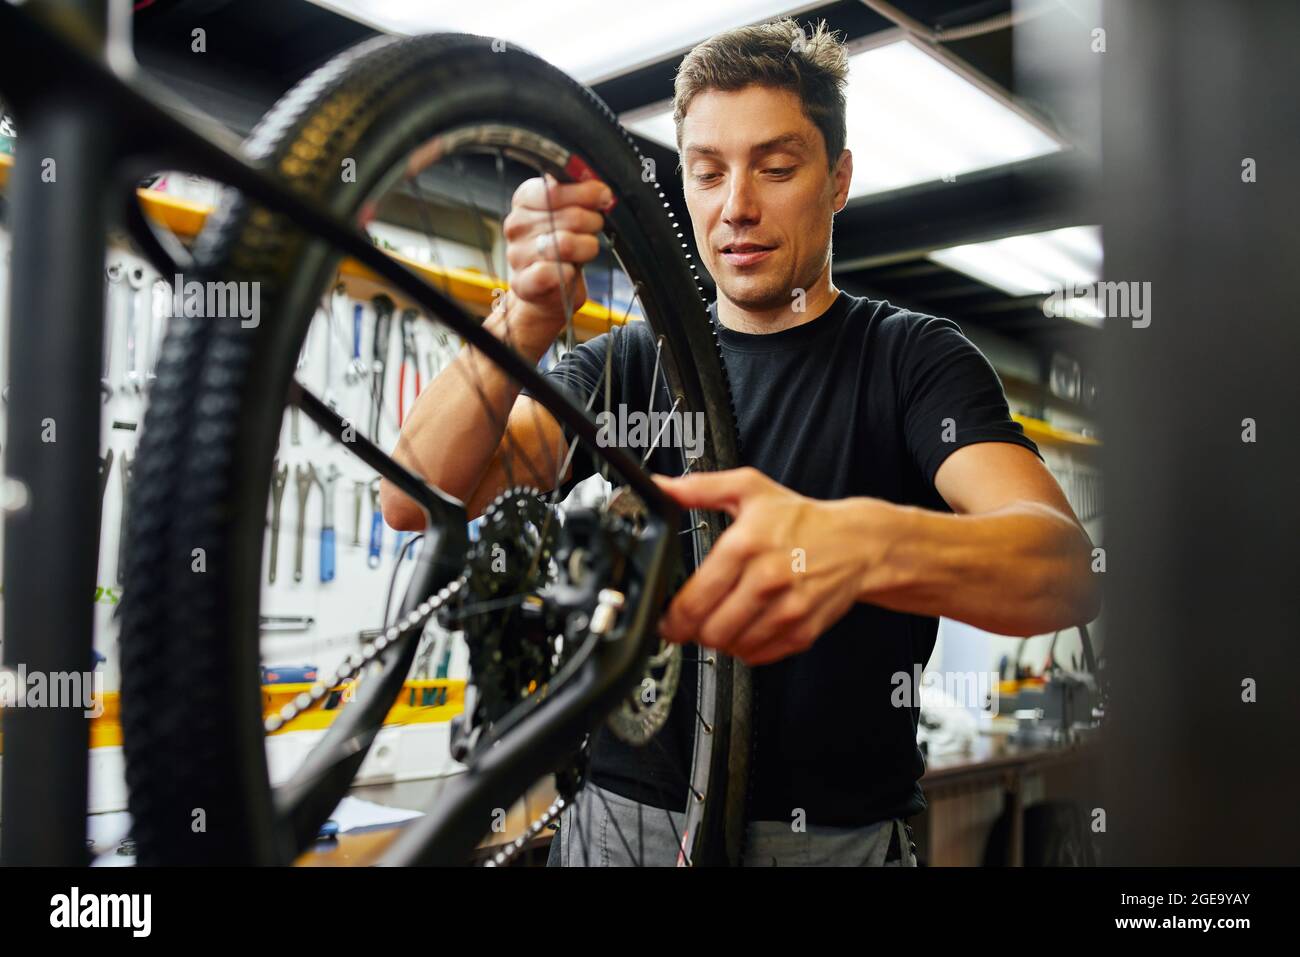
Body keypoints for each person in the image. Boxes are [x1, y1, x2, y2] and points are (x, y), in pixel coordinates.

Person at [381, 18, 1100, 866]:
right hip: (617, 825)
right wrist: (525, 316)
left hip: (832, 842)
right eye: (707, 171)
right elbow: (417, 495)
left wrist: (863, 543)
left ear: (838, 180)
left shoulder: (911, 359)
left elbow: (1061, 570)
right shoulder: (627, 364)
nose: (736, 207)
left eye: (777, 167)